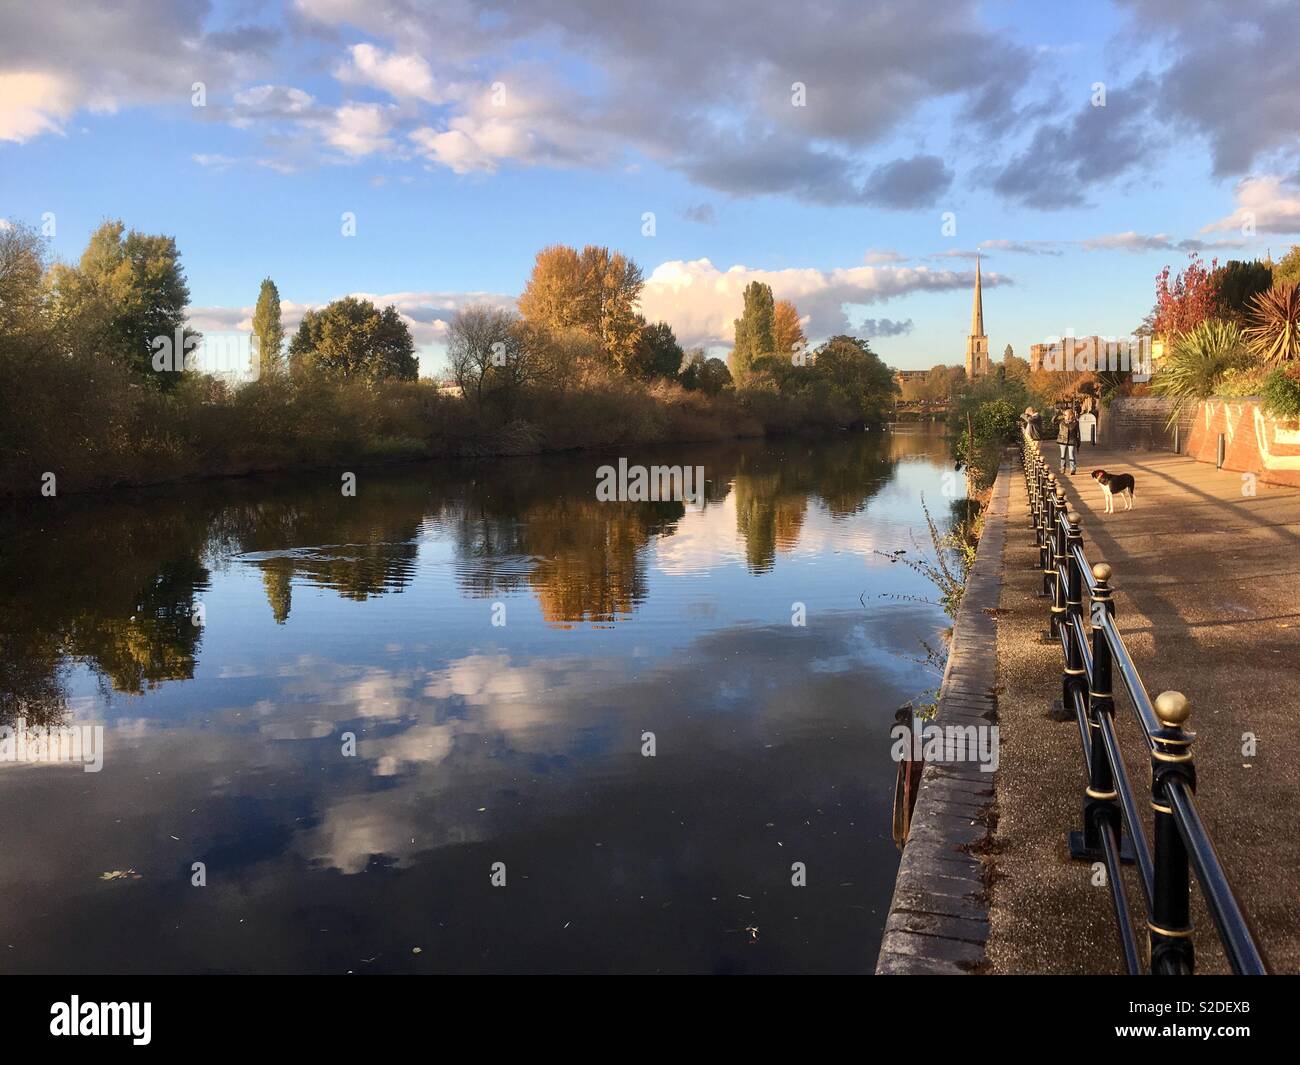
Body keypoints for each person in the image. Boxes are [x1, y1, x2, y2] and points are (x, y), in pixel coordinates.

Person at [1057, 408, 1080, 474]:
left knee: (1071, 455)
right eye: (1064, 415)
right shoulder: (1062, 422)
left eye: (1065, 414)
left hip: (1071, 441)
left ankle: (1073, 469)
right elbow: (1053, 421)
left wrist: (1078, 443)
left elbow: (1078, 434)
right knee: (1063, 455)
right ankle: (1062, 468)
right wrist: (1058, 414)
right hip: (1062, 440)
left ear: (1070, 415)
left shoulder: (1075, 423)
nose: (1064, 416)